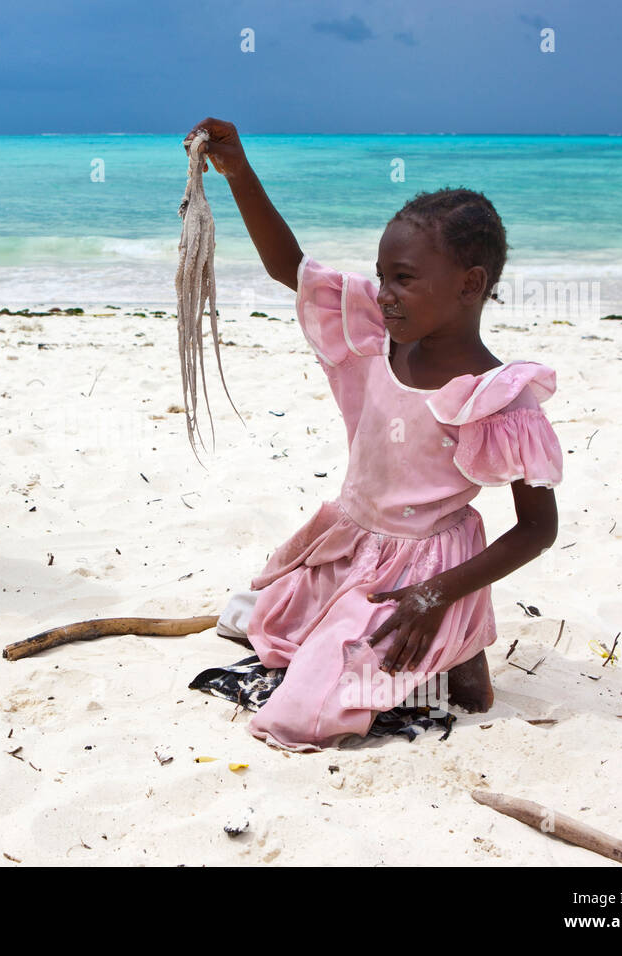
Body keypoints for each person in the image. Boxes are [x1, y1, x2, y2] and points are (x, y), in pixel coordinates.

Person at [185, 118, 562, 751]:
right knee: (250, 622)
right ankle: (430, 651)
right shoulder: (376, 338)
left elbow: (537, 529)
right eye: (382, 275)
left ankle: (457, 645)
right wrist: (238, 171)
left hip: (423, 572)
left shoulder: (498, 398)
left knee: (302, 714)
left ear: (470, 284)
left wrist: (434, 594)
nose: (384, 294)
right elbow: (291, 268)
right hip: (350, 543)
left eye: (404, 279)